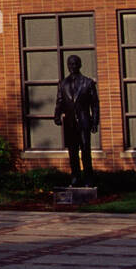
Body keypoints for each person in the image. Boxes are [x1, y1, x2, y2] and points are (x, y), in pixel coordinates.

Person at [54, 55, 99, 186]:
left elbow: (95, 104)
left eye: (74, 64)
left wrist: (95, 122)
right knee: (72, 152)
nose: (72, 66)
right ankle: (75, 177)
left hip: (84, 122)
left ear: (80, 65)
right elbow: (59, 102)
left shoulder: (88, 82)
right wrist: (57, 115)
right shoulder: (63, 84)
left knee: (85, 151)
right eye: (70, 64)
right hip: (70, 123)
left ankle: (88, 178)